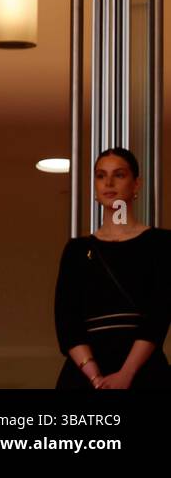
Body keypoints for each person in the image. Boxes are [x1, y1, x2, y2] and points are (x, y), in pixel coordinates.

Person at [54, 147, 171, 389]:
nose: (108, 182)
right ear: (95, 189)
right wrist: (95, 378)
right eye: (100, 175)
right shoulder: (76, 250)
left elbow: (159, 314)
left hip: (144, 372)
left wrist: (126, 374)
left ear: (136, 185)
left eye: (119, 175)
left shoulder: (161, 243)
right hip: (84, 374)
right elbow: (67, 322)